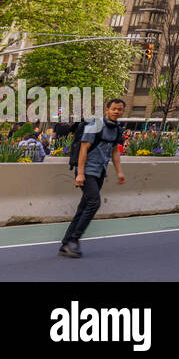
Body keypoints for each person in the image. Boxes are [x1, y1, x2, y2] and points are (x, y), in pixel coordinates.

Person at [59, 99, 127, 258]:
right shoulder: (95, 125)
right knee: (94, 202)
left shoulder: (117, 129)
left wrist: (119, 172)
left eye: (120, 109)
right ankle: (74, 240)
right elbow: (83, 149)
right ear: (107, 110)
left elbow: (115, 152)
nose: (117, 111)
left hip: (100, 172)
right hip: (87, 171)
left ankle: (66, 243)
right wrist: (80, 173)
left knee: (84, 207)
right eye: (114, 109)